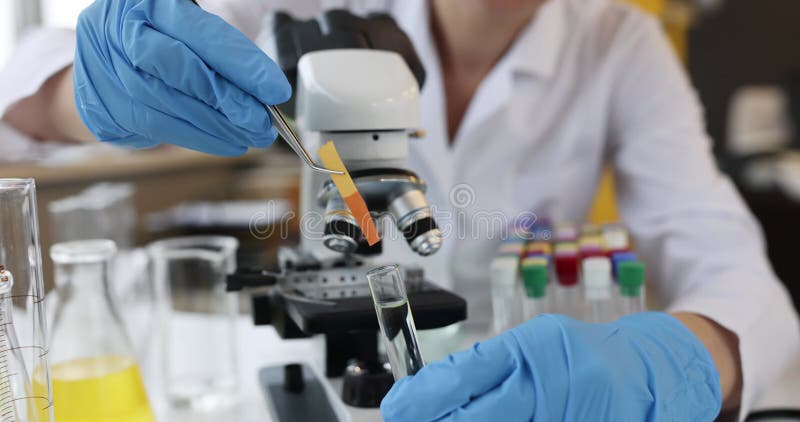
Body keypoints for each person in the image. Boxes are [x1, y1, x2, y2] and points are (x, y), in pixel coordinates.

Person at [0, 0, 797, 420]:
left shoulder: (621, 42)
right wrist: (90, 92)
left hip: (527, 376)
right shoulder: (313, 3)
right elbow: (22, 85)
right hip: (336, 291)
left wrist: (690, 361)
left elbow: (728, 260)